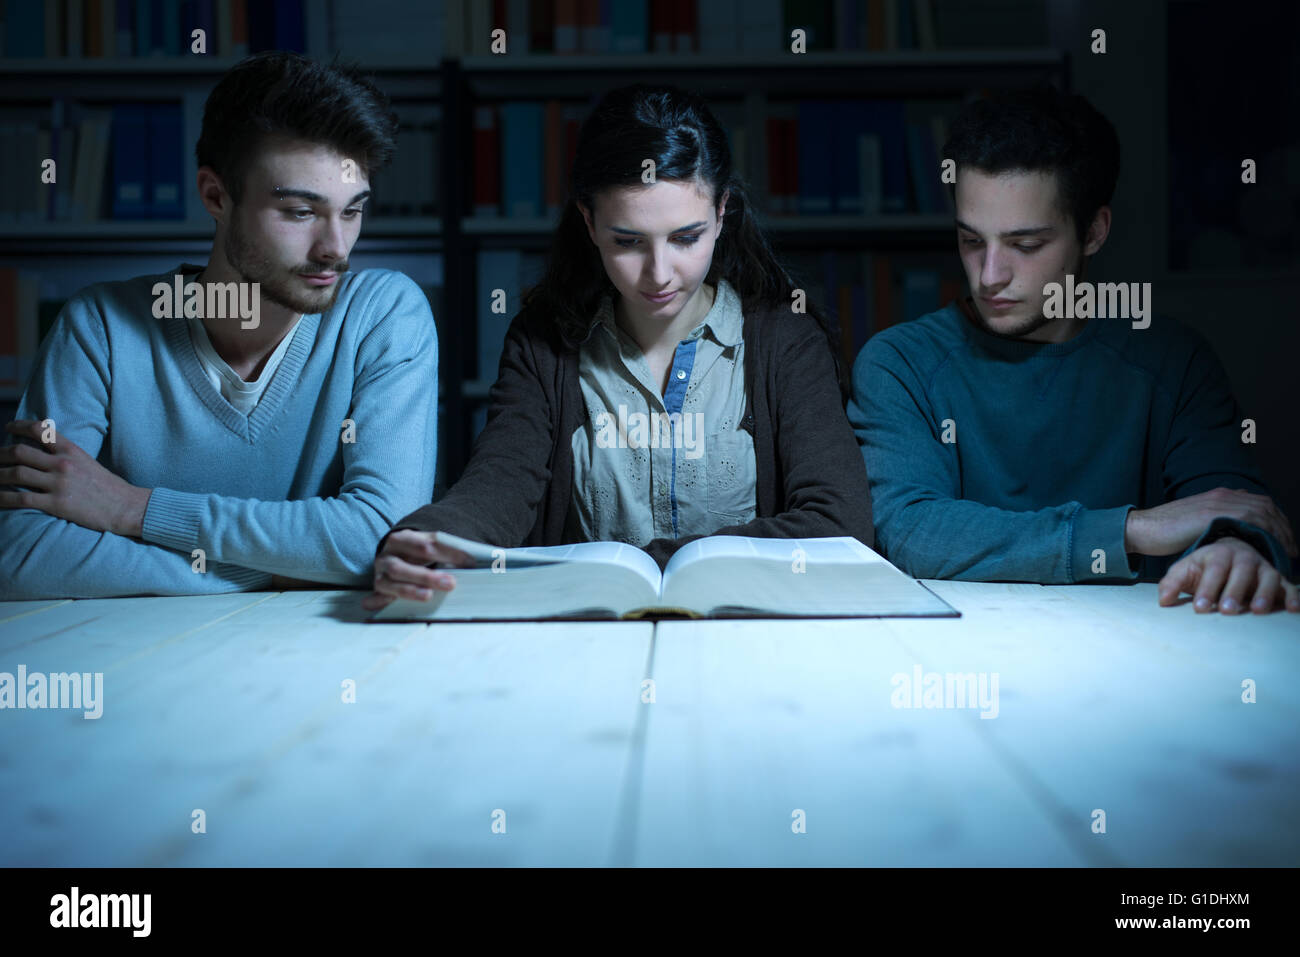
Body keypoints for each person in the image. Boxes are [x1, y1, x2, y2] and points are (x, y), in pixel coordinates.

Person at [366, 84, 871, 610]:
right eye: (627, 242)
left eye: (685, 238)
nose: (658, 275)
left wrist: (658, 562)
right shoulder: (545, 341)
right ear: (588, 222)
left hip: (752, 640)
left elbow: (839, 521)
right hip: (586, 644)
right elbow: (502, 482)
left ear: (722, 213)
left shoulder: (784, 340)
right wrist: (431, 539)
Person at [0, 52, 438, 599]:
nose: (336, 250)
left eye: (351, 211)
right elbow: (21, 553)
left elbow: (375, 537)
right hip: (140, 669)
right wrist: (285, 570)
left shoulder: (384, 315)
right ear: (216, 196)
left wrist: (131, 508)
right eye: (301, 212)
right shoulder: (100, 328)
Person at [847, 85, 1297, 614]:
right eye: (972, 240)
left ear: (1094, 232)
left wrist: (1234, 552)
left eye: (1026, 245)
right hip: (961, 662)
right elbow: (910, 533)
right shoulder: (900, 363)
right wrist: (1132, 529)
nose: (990, 276)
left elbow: (1233, 511)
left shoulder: (1173, 363)